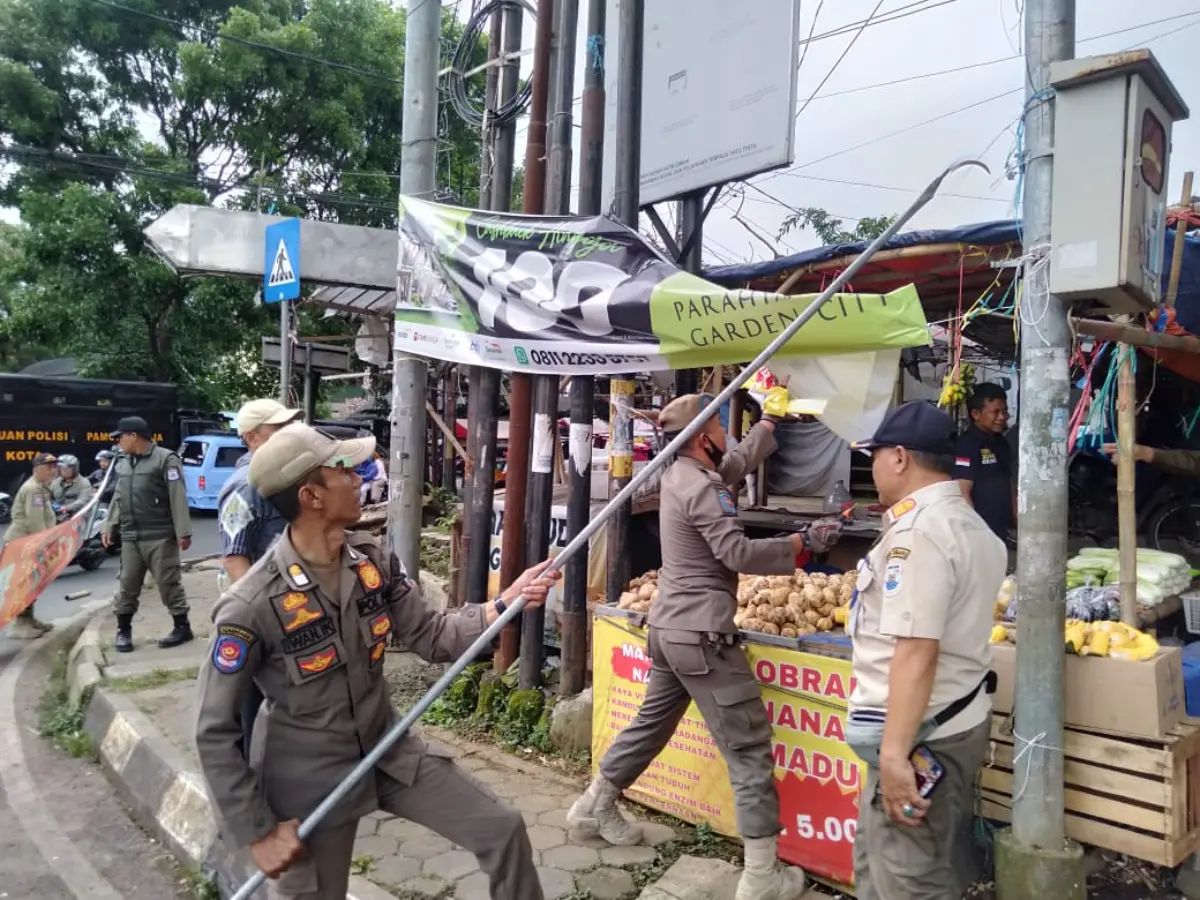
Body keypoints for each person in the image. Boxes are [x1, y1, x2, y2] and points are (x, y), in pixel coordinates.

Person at [195, 423, 560, 900]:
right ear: (311, 496)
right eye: (343, 470)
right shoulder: (252, 604)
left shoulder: (371, 559)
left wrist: (504, 604)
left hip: (387, 748)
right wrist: (256, 829)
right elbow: (212, 729)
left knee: (502, 829)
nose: (359, 476)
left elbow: (431, 636)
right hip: (309, 779)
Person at [567, 393, 843, 900]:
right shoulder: (703, 487)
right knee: (749, 747)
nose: (727, 435)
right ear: (702, 437)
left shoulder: (683, 474)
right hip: (702, 636)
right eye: (721, 425)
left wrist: (770, 421)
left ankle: (594, 804)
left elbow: (735, 462)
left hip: (669, 630)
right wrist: (803, 544)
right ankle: (762, 875)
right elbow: (735, 552)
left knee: (652, 724)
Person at [845, 401, 1005, 900]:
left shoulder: (919, 534)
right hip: (950, 721)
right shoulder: (970, 523)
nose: (871, 468)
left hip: (920, 736)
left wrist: (894, 756)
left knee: (910, 877)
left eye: (873, 456)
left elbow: (917, 650)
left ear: (898, 458)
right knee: (884, 863)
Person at [217, 398, 303, 760]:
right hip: (261, 610)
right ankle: (255, 783)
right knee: (255, 697)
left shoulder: (277, 477)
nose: (288, 436)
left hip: (285, 602)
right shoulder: (246, 485)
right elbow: (236, 559)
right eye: (278, 430)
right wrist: (259, 620)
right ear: (252, 437)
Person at [101, 415, 193, 652]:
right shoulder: (123, 462)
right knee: (127, 583)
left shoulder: (165, 459)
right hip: (131, 535)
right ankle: (123, 630)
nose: (118, 441)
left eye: (121, 437)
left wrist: (183, 531)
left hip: (160, 533)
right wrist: (109, 524)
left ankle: (182, 627)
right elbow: (118, 497)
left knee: (167, 582)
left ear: (134, 436)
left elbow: (177, 496)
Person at [5, 452, 60, 639]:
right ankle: (20, 623)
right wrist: (45, 545)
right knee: (24, 583)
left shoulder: (41, 487)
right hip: (24, 543)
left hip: (29, 542)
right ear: (37, 469)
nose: (53, 471)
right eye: (48, 467)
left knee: (32, 583)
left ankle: (29, 619)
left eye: (54, 467)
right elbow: (35, 522)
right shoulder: (33, 490)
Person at [953, 383, 1016, 541]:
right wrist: (975, 532)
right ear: (975, 414)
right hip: (978, 533)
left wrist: (1017, 519)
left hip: (1000, 530)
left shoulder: (1001, 443)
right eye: (995, 412)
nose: (1002, 417)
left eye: (1004, 411)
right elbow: (962, 492)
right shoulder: (967, 445)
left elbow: (1009, 483)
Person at [50, 453, 93, 518]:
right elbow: (48, 498)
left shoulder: (84, 483)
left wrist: (67, 508)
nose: (64, 471)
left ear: (74, 469)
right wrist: (55, 506)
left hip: (77, 517)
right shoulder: (55, 482)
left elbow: (83, 500)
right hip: (58, 516)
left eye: (67, 469)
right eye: (62, 468)